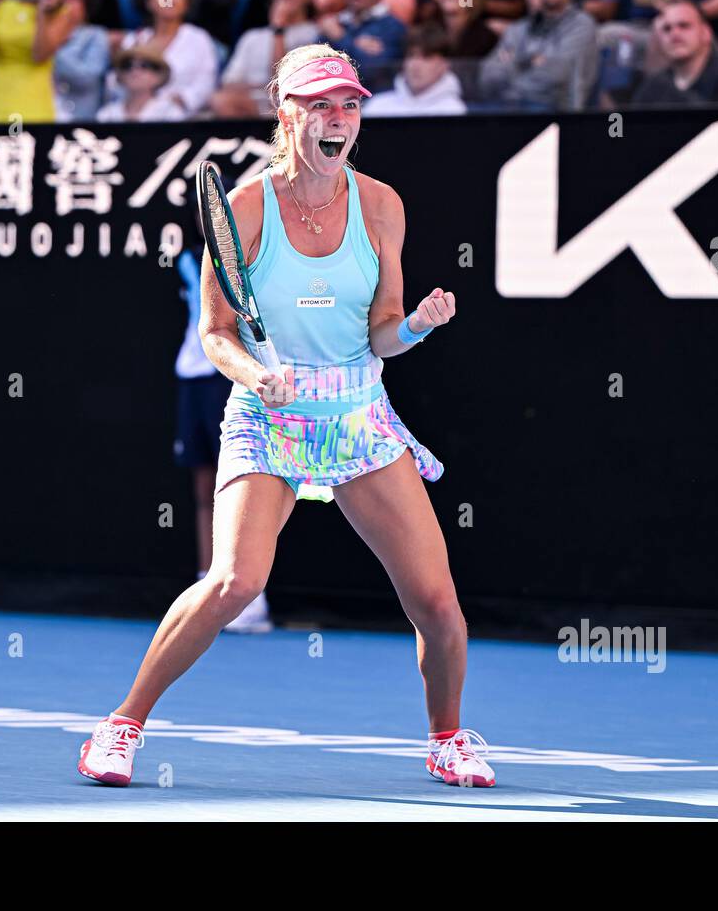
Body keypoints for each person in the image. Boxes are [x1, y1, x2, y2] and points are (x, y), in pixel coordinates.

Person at [77, 43, 494, 791]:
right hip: (268, 418)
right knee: (235, 580)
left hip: (358, 414)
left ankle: (448, 738)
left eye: (351, 105)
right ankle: (120, 726)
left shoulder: (382, 205)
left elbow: (383, 332)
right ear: (287, 114)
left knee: (436, 601)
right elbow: (215, 333)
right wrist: (256, 376)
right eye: (322, 106)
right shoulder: (243, 209)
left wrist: (420, 325)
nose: (340, 119)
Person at [170, 237, 275, 634]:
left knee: (236, 485)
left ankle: (247, 595)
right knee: (202, 484)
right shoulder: (185, 259)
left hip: (228, 380)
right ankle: (208, 580)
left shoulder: (250, 256)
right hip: (191, 380)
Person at [477, 0, 598, 110]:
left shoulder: (583, 25)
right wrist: (533, 61)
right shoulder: (518, 28)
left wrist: (514, 65)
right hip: (509, 113)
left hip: (560, 117)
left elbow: (557, 78)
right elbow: (487, 77)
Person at [212, 0, 321, 118]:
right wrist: (262, 88)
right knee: (219, 100)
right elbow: (228, 84)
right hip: (249, 109)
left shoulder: (316, 34)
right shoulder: (252, 37)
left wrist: (278, 31)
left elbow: (286, 86)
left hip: (296, 114)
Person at [109, 0, 218, 117]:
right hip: (135, 119)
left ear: (187, 2)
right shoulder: (133, 39)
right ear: (148, 1)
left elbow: (205, 85)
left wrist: (172, 104)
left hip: (182, 120)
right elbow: (115, 84)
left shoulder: (199, 39)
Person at [315, 0, 407, 90]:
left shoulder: (393, 27)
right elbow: (316, 67)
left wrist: (341, 38)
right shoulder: (334, 23)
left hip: (376, 105)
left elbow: (373, 72)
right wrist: (357, 47)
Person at [632, 0, 718, 103]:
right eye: (666, 29)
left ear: (706, 33)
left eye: (684, 25)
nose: (674, 34)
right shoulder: (653, 86)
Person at [362, 21, 467, 112]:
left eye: (426, 57)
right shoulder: (376, 106)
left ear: (444, 65)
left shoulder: (454, 110)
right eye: (412, 56)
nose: (416, 65)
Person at [52, 0, 107, 120]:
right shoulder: (40, 37)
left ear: (84, 5)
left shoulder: (95, 35)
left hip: (82, 119)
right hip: (46, 116)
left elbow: (88, 77)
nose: (66, 3)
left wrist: (54, 49)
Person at [95, 42, 185, 119]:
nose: (135, 71)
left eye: (144, 65)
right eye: (128, 65)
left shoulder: (170, 112)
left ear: (159, 75)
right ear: (120, 75)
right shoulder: (107, 114)